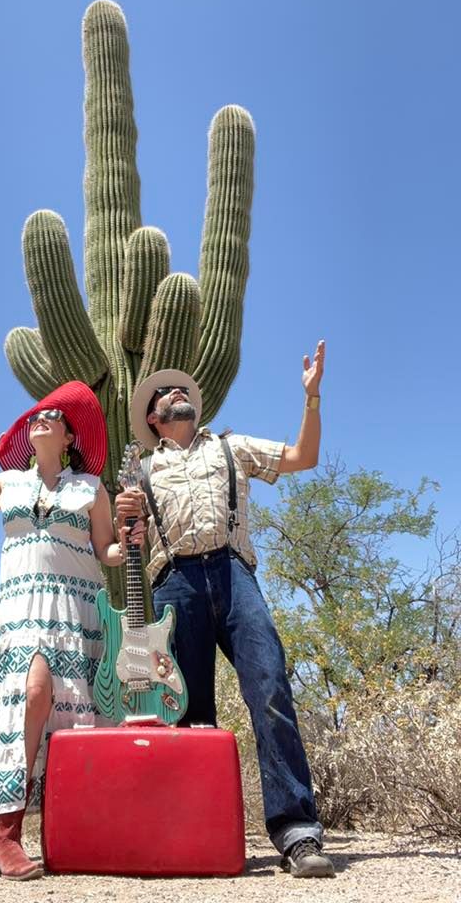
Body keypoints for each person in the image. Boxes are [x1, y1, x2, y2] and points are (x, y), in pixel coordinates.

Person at [115, 341, 335, 879]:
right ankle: (199, 834)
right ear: (154, 418)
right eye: (165, 394)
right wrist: (130, 527)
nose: (176, 393)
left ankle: (296, 832)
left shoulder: (232, 448)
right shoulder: (139, 472)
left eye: (181, 389)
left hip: (235, 573)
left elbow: (303, 458)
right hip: (173, 584)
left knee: (271, 688)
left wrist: (311, 399)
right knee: (186, 711)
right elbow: (128, 548)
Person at [0, 381, 141, 881]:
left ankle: (68, 831)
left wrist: (131, 541)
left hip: (78, 607)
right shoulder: (8, 483)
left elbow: (106, 552)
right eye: (37, 416)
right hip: (19, 605)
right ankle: (6, 834)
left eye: (52, 415)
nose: (40, 419)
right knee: (31, 696)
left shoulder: (90, 488)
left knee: (74, 715)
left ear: (70, 436)